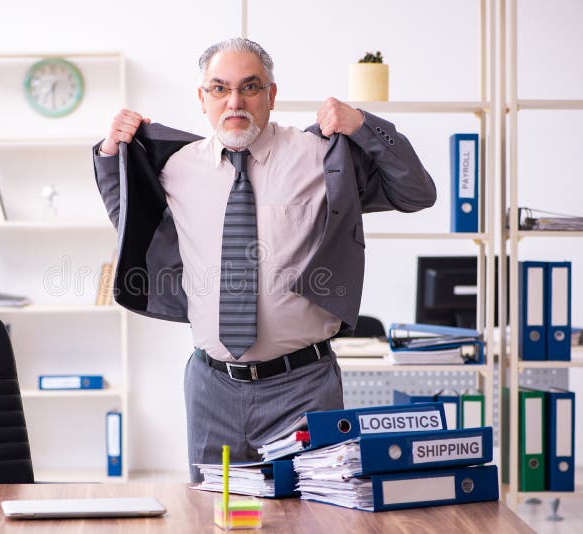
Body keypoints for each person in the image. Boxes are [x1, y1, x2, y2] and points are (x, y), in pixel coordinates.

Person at [93, 38, 436, 481]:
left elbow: (417, 193)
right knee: (214, 519)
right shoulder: (176, 168)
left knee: (314, 518)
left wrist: (363, 125)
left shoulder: (320, 156)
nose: (235, 101)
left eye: (250, 87)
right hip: (211, 388)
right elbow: (130, 219)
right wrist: (109, 153)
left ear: (271, 95)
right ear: (202, 99)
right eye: (219, 88)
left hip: (304, 388)